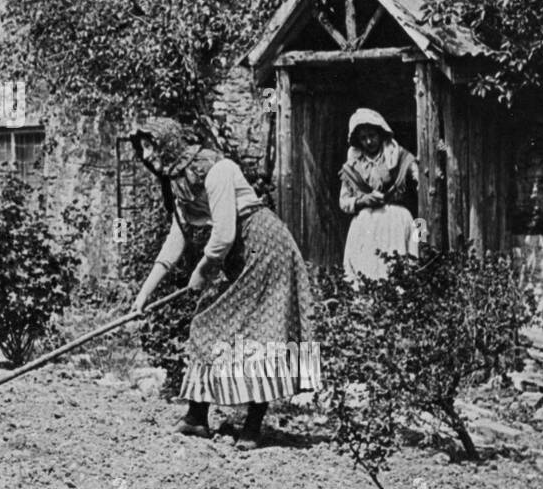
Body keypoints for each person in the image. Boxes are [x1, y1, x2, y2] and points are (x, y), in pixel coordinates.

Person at [130, 117, 321, 446]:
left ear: (168, 143)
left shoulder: (216, 170)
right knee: (209, 326)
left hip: (265, 246)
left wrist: (202, 271)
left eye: (150, 146)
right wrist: (143, 295)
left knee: (262, 333)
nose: (147, 155)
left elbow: (223, 234)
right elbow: (176, 242)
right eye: (143, 149)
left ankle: (252, 425)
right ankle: (197, 417)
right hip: (237, 254)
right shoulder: (180, 184)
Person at [339, 107, 423, 282]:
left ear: (381, 133)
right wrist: (362, 200)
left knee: (397, 266)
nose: (369, 141)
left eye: (372, 135)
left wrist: (418, 175)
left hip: (396, 221)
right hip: (366, 223)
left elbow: (420, 178)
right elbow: (344, 201)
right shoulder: (353, 165)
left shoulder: (397, 156)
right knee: (366, 268)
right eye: (363, 138)